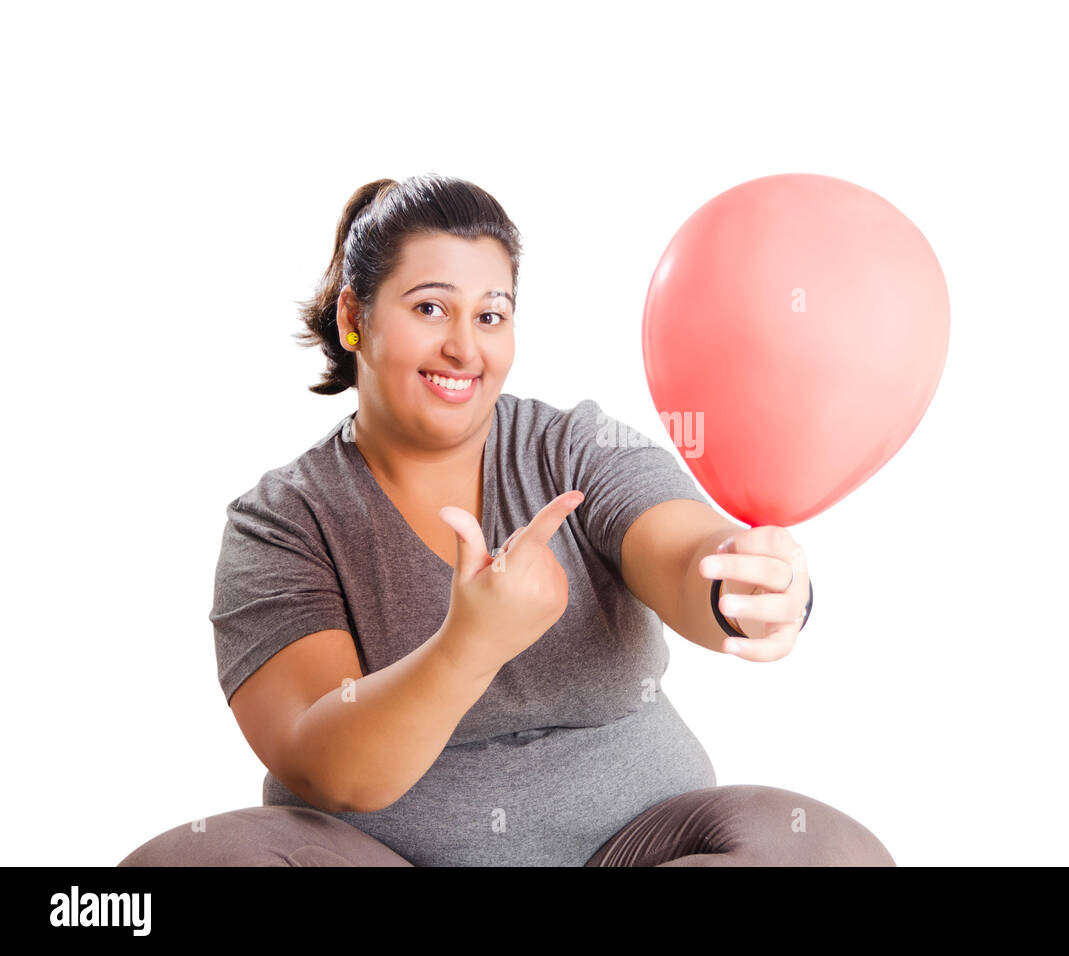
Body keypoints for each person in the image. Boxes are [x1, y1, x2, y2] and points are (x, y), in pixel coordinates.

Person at [131, 173, 895, 867]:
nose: (464, 347)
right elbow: (334, 768)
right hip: (387, 858)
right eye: (430, 308)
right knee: (190, 867)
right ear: (355, 318)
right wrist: (470, 645)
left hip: (635, 848)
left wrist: (745, 586)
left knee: (826, 851)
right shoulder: (283, 520)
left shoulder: (576, 445)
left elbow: (681, 550)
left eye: (491, 315)